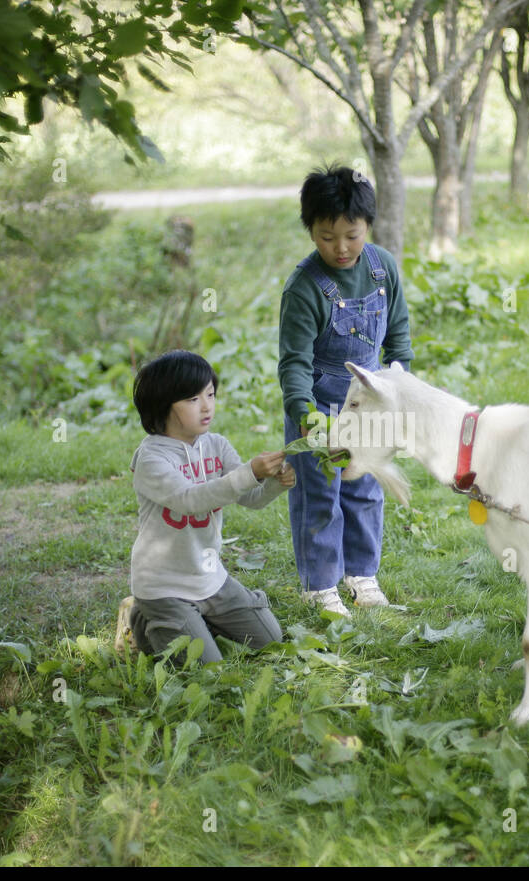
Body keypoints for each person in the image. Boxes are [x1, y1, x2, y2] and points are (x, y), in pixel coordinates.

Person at [278, 163, 414, 618]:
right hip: (319, 406)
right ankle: (319, 585)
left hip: (369, 402)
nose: (340, 248)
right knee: (320, 493)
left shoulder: (382, 270)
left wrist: (400, 384)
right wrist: (304, 411)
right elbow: (294, 360)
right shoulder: (305, 288)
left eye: (351, 235)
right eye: (326, 236)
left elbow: (398, 334)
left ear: (367, 226)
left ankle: (362, 575)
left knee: (364, 489)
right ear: (310, 231)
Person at [128, 350, 296, 662]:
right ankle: (144, 620)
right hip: (163, 585)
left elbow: (251, 497)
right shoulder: (152, 458)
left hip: (209, 577)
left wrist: (276, 481)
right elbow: (190, 500)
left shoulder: (216, 445)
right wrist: (250, 473)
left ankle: (196, 622)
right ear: (163, 404)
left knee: (270, 640)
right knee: (207, 668)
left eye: (210, 394)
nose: (207, 406)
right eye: (192, 399)